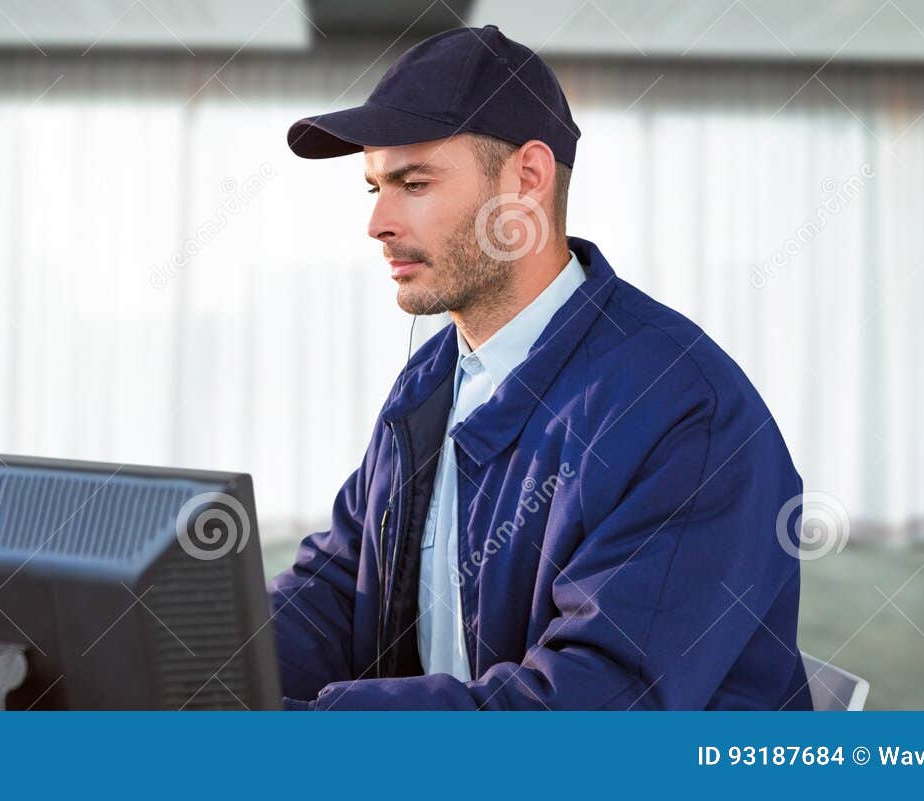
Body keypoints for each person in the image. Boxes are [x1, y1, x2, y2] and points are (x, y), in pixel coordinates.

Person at [271, 24, 812, 710]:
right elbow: (340, 586)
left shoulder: (687, 413)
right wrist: (198, 663)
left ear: (526, 179)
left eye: (414, 182)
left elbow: (590, 713)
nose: (377, 221)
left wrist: (312, 727)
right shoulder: (435, 380)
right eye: (374, 186)